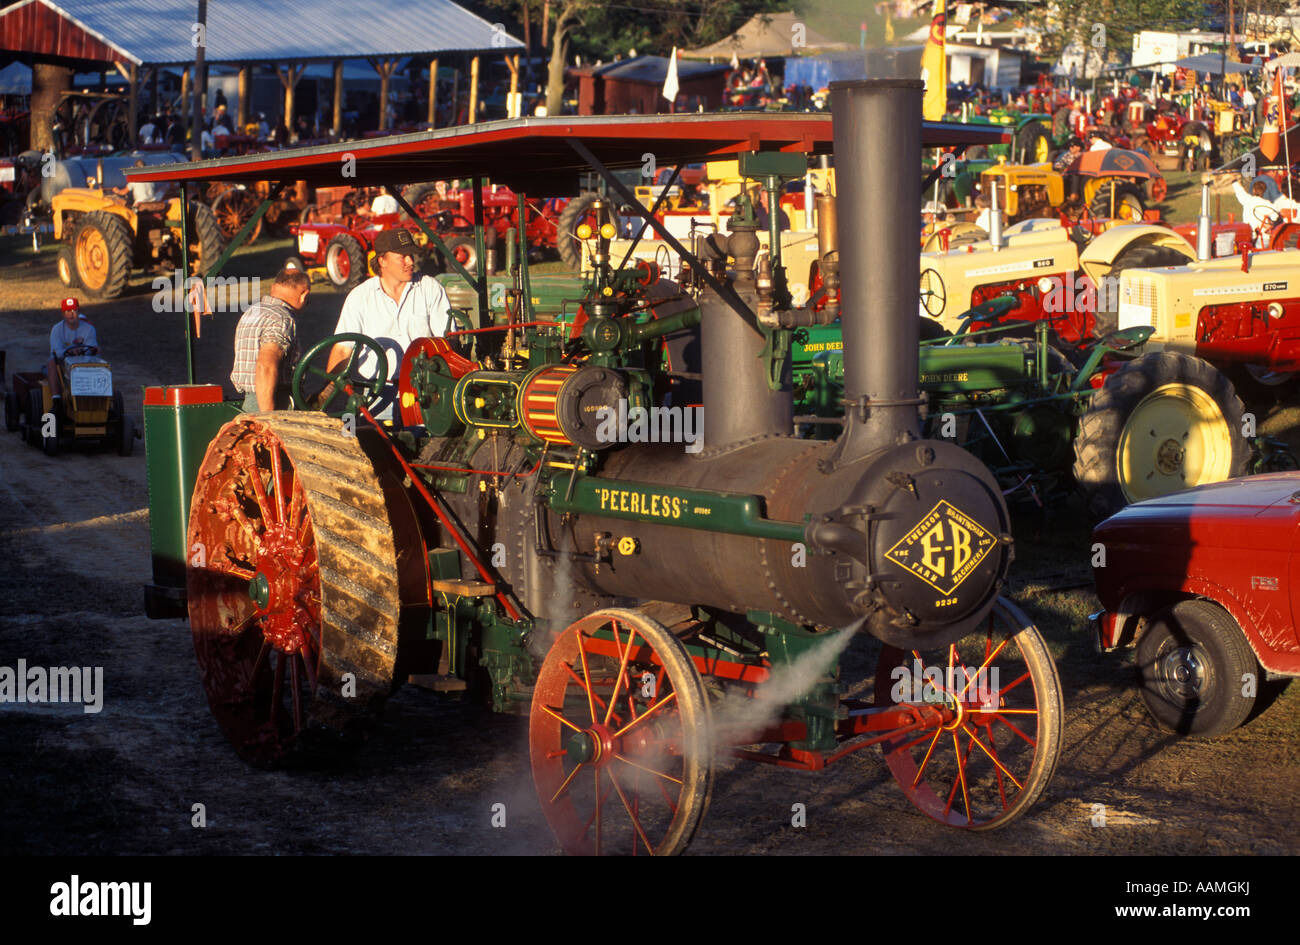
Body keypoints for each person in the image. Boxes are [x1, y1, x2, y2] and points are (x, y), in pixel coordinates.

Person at [325, 228, 452, 421]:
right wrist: (326, 393)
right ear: (382, 261)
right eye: (402, 256)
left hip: (424, 390)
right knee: (369, 442)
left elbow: (447, 342)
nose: (410, 262)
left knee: (427, 447)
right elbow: (343, 350)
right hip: (376, 393)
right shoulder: (360, 297)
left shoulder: (430, 289)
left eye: (411, 255)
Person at [230, 267, 311, 412]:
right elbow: (265, 366)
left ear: (274, 287)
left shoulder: (252, 312)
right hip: (273, 402)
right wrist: (268, 417)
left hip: (249, 403)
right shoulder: (281, 318)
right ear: (304, 295)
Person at [46, 297, 99, 398]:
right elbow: (56, 352)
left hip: (84, 361)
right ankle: (56, 398)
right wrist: (70, 352)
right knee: (52, 361)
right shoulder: (57, 329)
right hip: (63, 362)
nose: (71, 314)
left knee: (100, 363)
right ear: (63, 314)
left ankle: (101, 396)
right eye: (67, 311)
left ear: (78, 311)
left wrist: (84, 351)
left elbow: (92, 347)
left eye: (74, 310)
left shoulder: (89, 329)